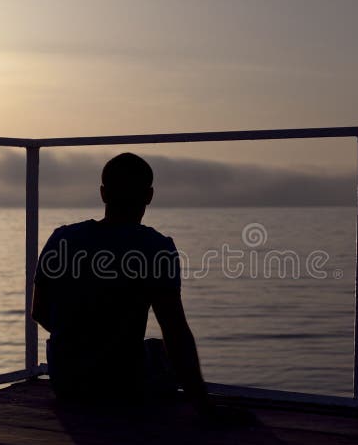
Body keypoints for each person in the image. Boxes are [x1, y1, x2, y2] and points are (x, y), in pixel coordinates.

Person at [32, 152, 221, 417]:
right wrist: (203, 406)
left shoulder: (62, 238)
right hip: (120, 384)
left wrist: (86, 338)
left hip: (66, 380)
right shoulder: (155, 248)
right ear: (149, 196)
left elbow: (38, 312)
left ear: (103, 194)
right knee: (162, 351)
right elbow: (175, 330)